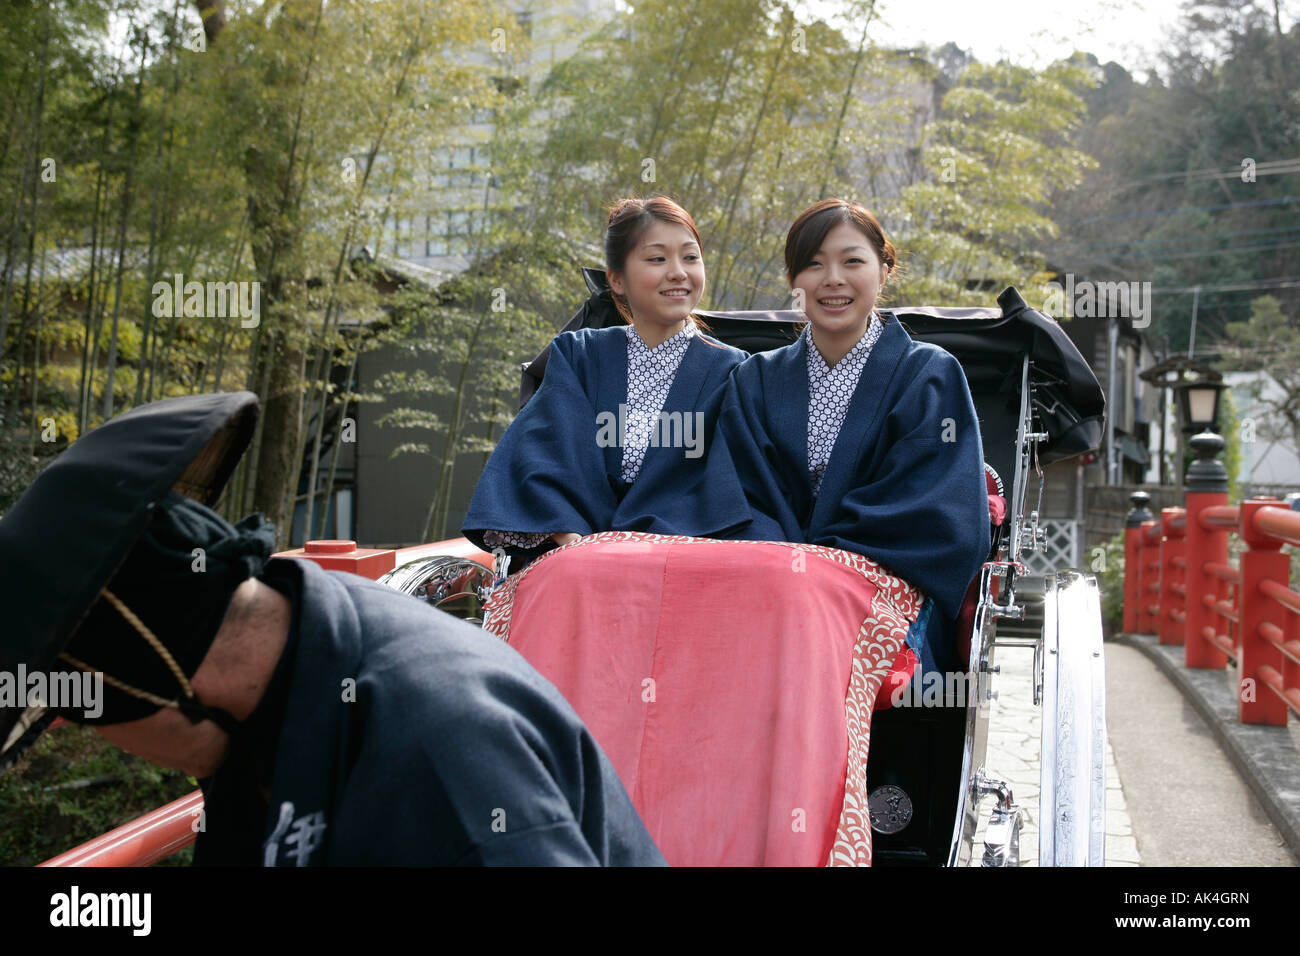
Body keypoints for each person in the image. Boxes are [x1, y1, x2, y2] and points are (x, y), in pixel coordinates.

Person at [0, 392, 666, 866]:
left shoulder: (434, 741)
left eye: (92, 716)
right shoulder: (277, 707)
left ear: (154, 677)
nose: (119, 746)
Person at [717, 199, 991, 674]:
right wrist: (788, 573)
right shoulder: (754, 380)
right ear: (793, 282)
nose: (833, 279)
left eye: (852, 261)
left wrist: (822, 570)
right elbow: (733, 495)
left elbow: (936, 510)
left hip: (882, 596)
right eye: (813, 264)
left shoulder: (929, 376)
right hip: (766, 587)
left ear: (884, 271)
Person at [462, 196, 751, 566]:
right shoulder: (578, 355)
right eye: (657, 258)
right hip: (578, 554)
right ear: (616, 278)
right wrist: (571, 540)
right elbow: (544, 455)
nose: (679, 272)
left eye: (691, 257)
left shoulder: (734, 370)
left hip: (684, 559)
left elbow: (732, 486)